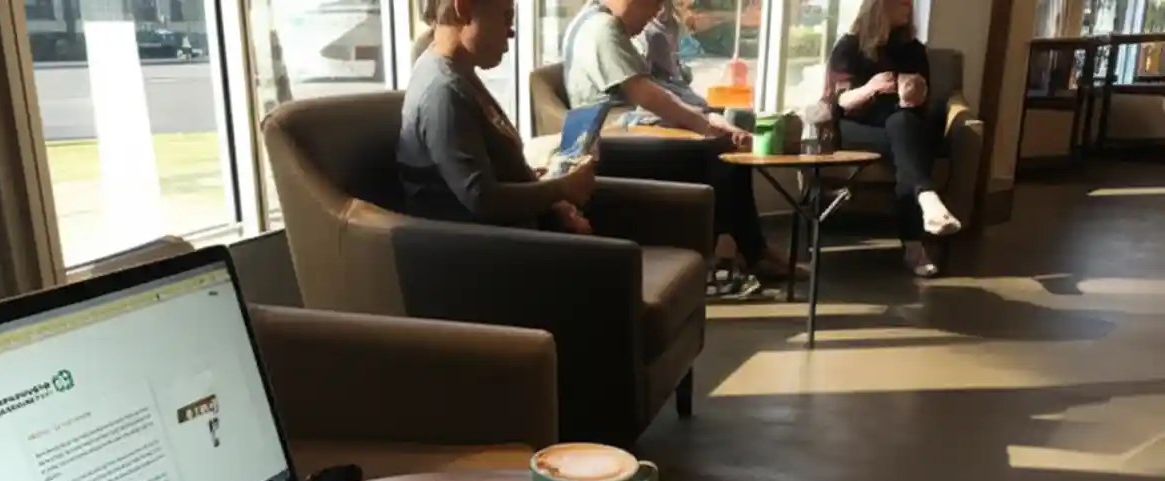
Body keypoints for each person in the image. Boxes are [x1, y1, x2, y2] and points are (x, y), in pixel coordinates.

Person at [562, 0, 801, 280]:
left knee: (720, 150)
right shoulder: (604, 29)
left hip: (613, 133)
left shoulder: (591, 19)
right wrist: (704, 126)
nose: (654, 15)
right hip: (603, 142)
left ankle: (741, 250)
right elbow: (647, 95)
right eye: (652, 7)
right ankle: (745, 252)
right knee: (720, 154)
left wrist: (707, 120)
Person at [397, 0, 596, 232]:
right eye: (506, 17)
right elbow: (482, 200)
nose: (511, 32)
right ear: (465, 8)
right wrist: (562, 189)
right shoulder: (443, 92)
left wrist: (550, 196)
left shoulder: (460, 74)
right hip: (483, 249)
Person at [829, 0, 961, 278]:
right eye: (902, 2)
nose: (908, 7)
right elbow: (841, 101)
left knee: (904, 127)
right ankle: (919, 232)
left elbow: (919, 102)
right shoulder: (849, 47)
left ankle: (923, 206)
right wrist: (871, 88)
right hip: (860, 127)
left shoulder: (914, 49)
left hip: (901, 124)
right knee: (910, 146)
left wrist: (912, 93)